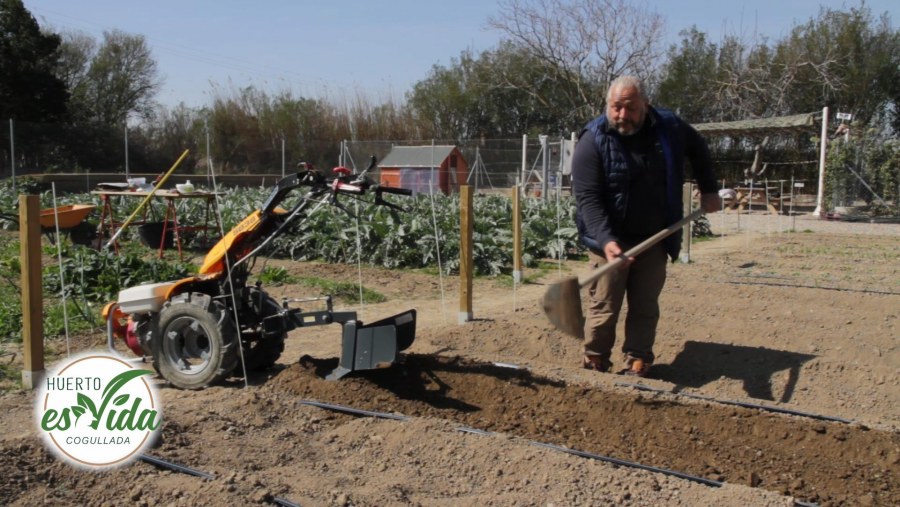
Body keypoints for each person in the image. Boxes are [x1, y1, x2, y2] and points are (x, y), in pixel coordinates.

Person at [571, 75, 721, 377]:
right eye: (616, 108)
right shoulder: (592, 140)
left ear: (646, 106)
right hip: (608, 237)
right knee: (605, 303)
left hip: (655, 235)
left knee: (645, 303)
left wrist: (709, 189)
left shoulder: (670, 127)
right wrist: (607, 241)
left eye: (631, 108)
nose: (622, 115)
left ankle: (638, 360)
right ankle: (596, 357)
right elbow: (588, 199)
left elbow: (698, 148)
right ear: (607, 106)